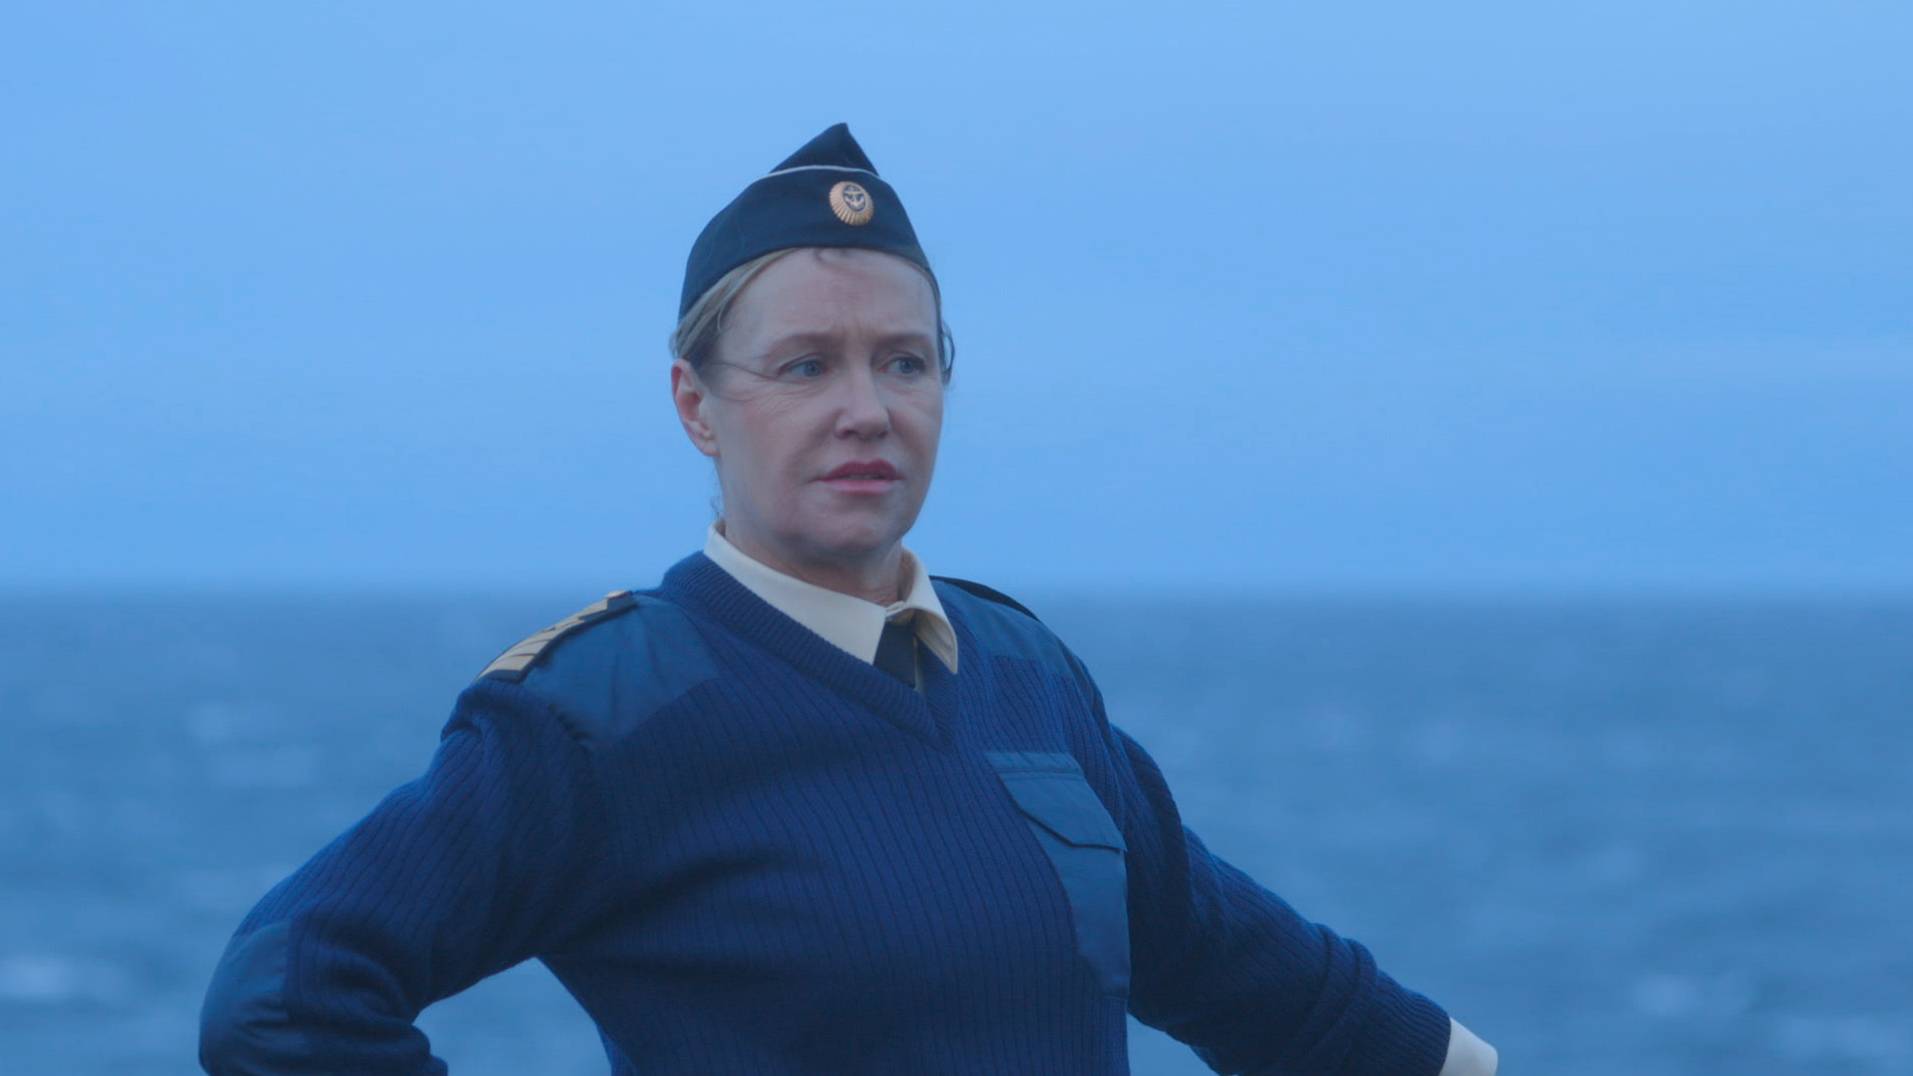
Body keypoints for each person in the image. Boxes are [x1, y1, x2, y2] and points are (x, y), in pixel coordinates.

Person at [198, 122, 1499, 1074]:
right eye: (806, 366)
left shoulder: (1022, 670)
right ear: (697, 406)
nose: (867, 410)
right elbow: (285, 997)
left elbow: (1242, 971)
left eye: (905, 363)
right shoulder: (603, 707)